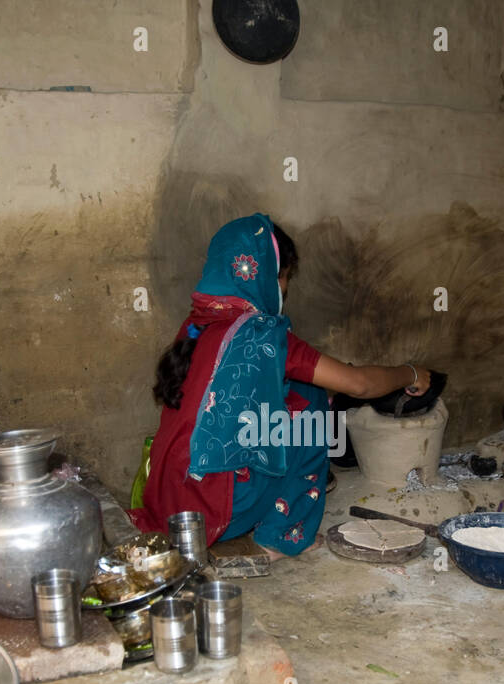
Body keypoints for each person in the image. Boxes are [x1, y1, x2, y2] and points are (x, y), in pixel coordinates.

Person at [130, 214, 431, 557]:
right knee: (313, 400)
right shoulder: (263, 337)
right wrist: (410, 373)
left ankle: (259, 505)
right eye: (284, 277)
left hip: (169, 503)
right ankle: (280, 536)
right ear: (268, 277)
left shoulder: (197, 324)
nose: (285, 290)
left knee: (285, 400)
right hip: (215, 510)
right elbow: (359, 384)